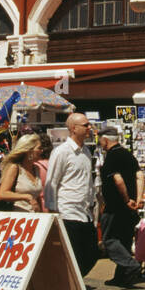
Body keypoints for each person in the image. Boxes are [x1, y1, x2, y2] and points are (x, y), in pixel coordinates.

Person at [0, 132, 43, 290]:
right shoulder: (14, 168)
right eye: (39, 147)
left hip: (34, 222)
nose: (41, 150)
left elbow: (38, 196)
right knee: (18, 269)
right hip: (17, 223)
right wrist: (24, 197)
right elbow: (3, 193)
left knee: (34, 270)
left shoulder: (36, 169)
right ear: (29, 150)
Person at [44, 113, 98, 277]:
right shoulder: (62, 152)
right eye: (85, 125)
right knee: (75, 256)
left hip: (85, 212)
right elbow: (51, 181)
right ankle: (69, 289)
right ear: (73, 128)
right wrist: (52, 210)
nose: (89, 128)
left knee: (91, 254)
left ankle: (70, 284)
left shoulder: (86, 151)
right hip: (67, 211)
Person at [97, 125, 144, 287]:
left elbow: (117, 180)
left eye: (100, 140)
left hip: (115, 206)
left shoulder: (111, 157)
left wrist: (125, 200)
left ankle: (131, 266)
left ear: (105, 140)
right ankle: (121, 277)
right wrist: (137, 199)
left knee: (109, 240)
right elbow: (140, 176)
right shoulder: (128, 155)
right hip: (129, 208)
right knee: (123, 241)